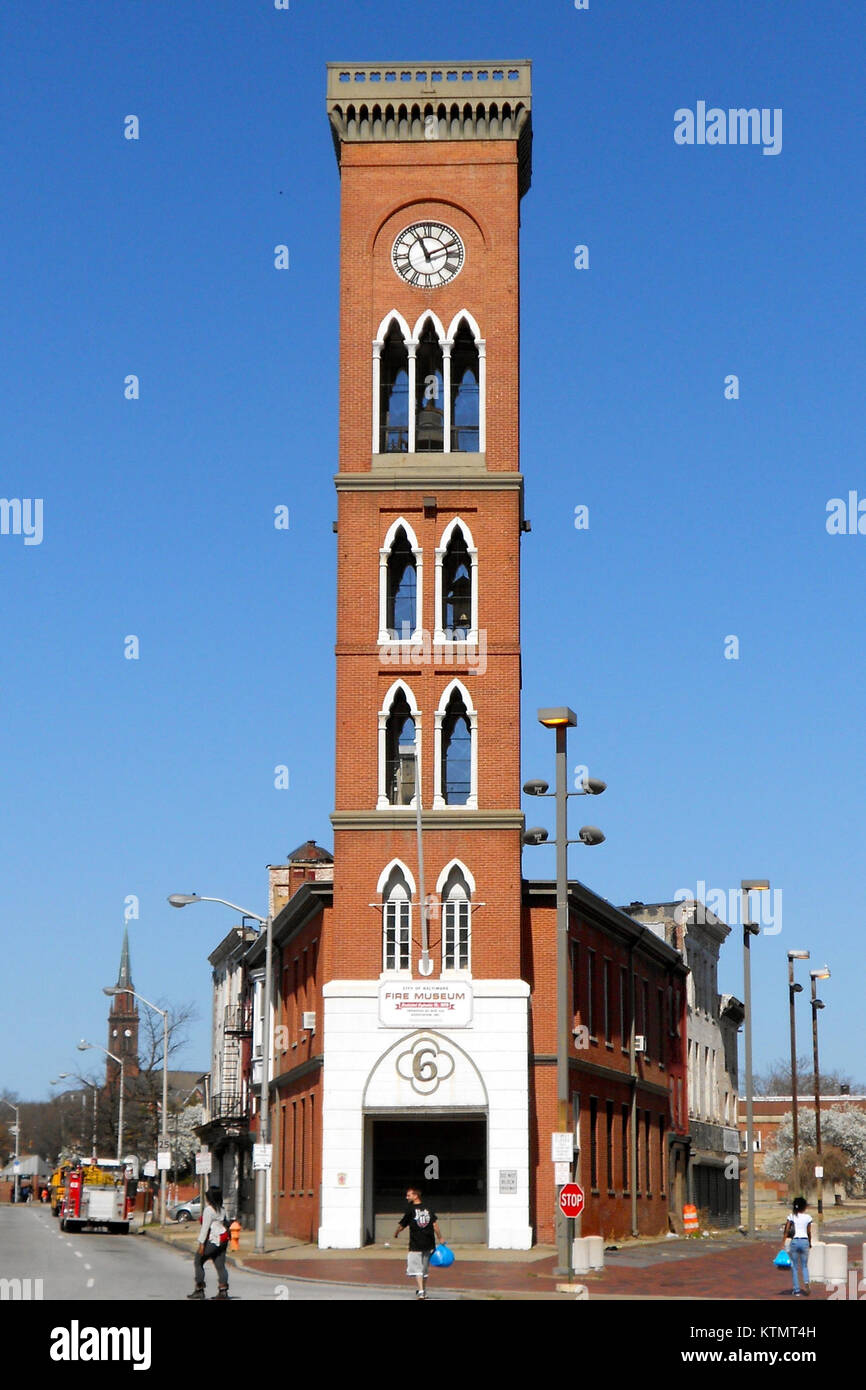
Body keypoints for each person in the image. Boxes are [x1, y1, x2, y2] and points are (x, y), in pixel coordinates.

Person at [394, 1187, 442, 1299]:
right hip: (429, 1242)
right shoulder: (429, 1208)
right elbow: (435, 1225)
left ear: (416, 1196)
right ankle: (423, 1290)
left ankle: (420, 1291)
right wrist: (440, 1238)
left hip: (416, 1243)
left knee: (417, 1268)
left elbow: (402, 1224)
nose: (407, 1197)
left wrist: (396, 1233)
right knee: (424, 1268)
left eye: (409, 1195)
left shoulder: (410, 1209)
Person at [188, 1186, 230, 1301]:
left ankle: (199, 1290)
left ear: (210, 1198)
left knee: (198, 1261)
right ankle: (223, 1292)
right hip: (223, 1241)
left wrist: (201, 1244)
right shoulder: (222, 1209)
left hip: (212, 1240)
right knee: (220, 1265)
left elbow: (205, 1229)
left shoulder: (209, 1210)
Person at [785, 1195, 812, 1296]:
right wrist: (810, 1243)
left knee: (795, 1267)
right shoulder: (808, 1217)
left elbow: (787, 1229)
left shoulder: (791, 1216)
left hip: (795, 1241)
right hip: (804, 1241)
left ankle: (796, 1290)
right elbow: (809, 1232)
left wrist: (784, 1240)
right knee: (804, 1265)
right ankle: (806, 1281)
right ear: (804, 1207)